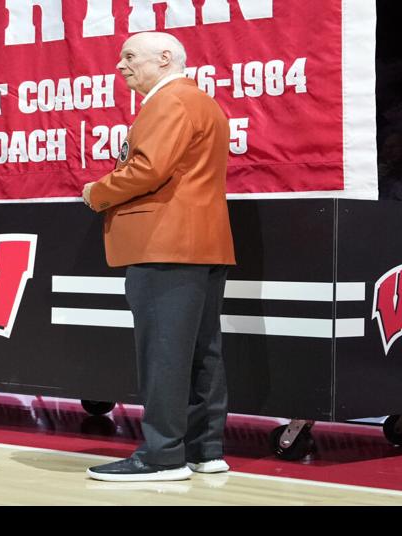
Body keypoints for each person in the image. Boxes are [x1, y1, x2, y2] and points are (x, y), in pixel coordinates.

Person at [81, 32, 236, 482]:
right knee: (201, 353)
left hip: (166, 243)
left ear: (165, 59)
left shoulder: (168, 103)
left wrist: (97, 192)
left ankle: (162, 455)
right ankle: (204, 450)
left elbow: (146, 169)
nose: (120, 65)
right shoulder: (202, 102)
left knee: (164, 354)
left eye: (130, 56)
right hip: (202, 243)